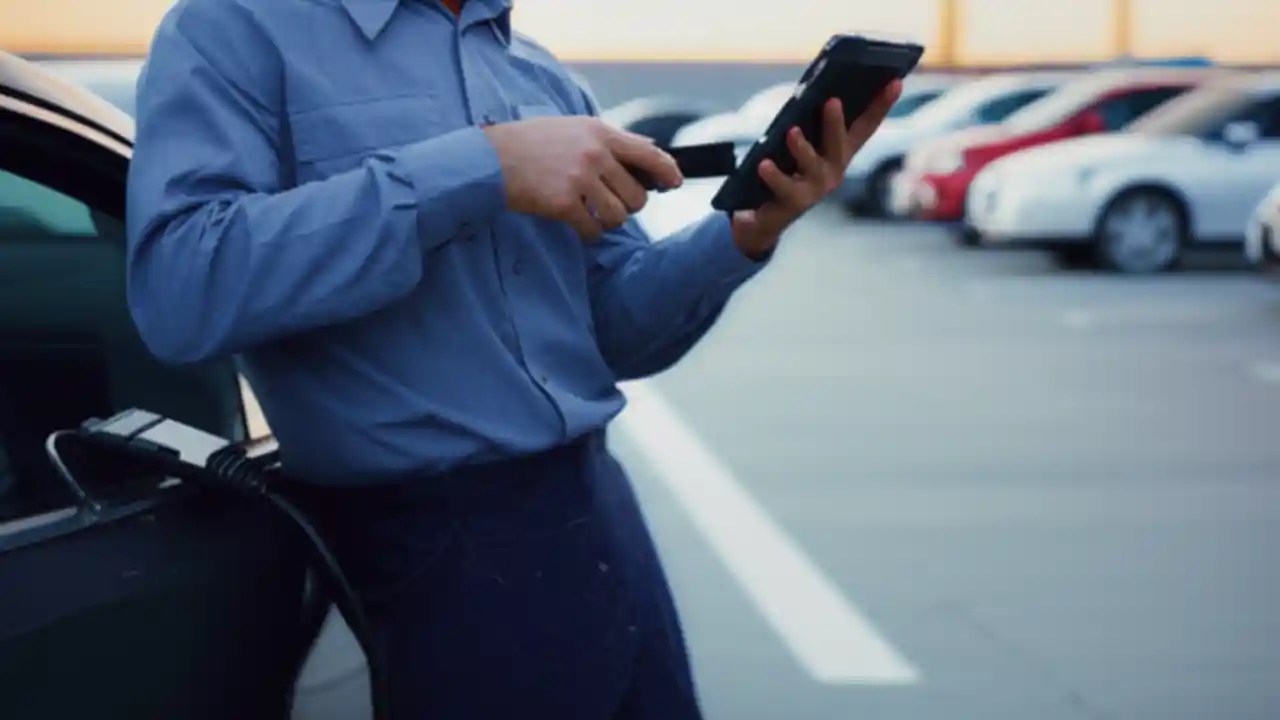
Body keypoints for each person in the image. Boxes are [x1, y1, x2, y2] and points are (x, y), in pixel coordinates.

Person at [125, 0, 900, 717]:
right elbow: (184, 288)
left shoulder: (537, 73)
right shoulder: (235, 30)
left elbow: (615, 331)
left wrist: (746, 232)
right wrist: (482, 167)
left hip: (600, 516)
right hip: (431, 548)